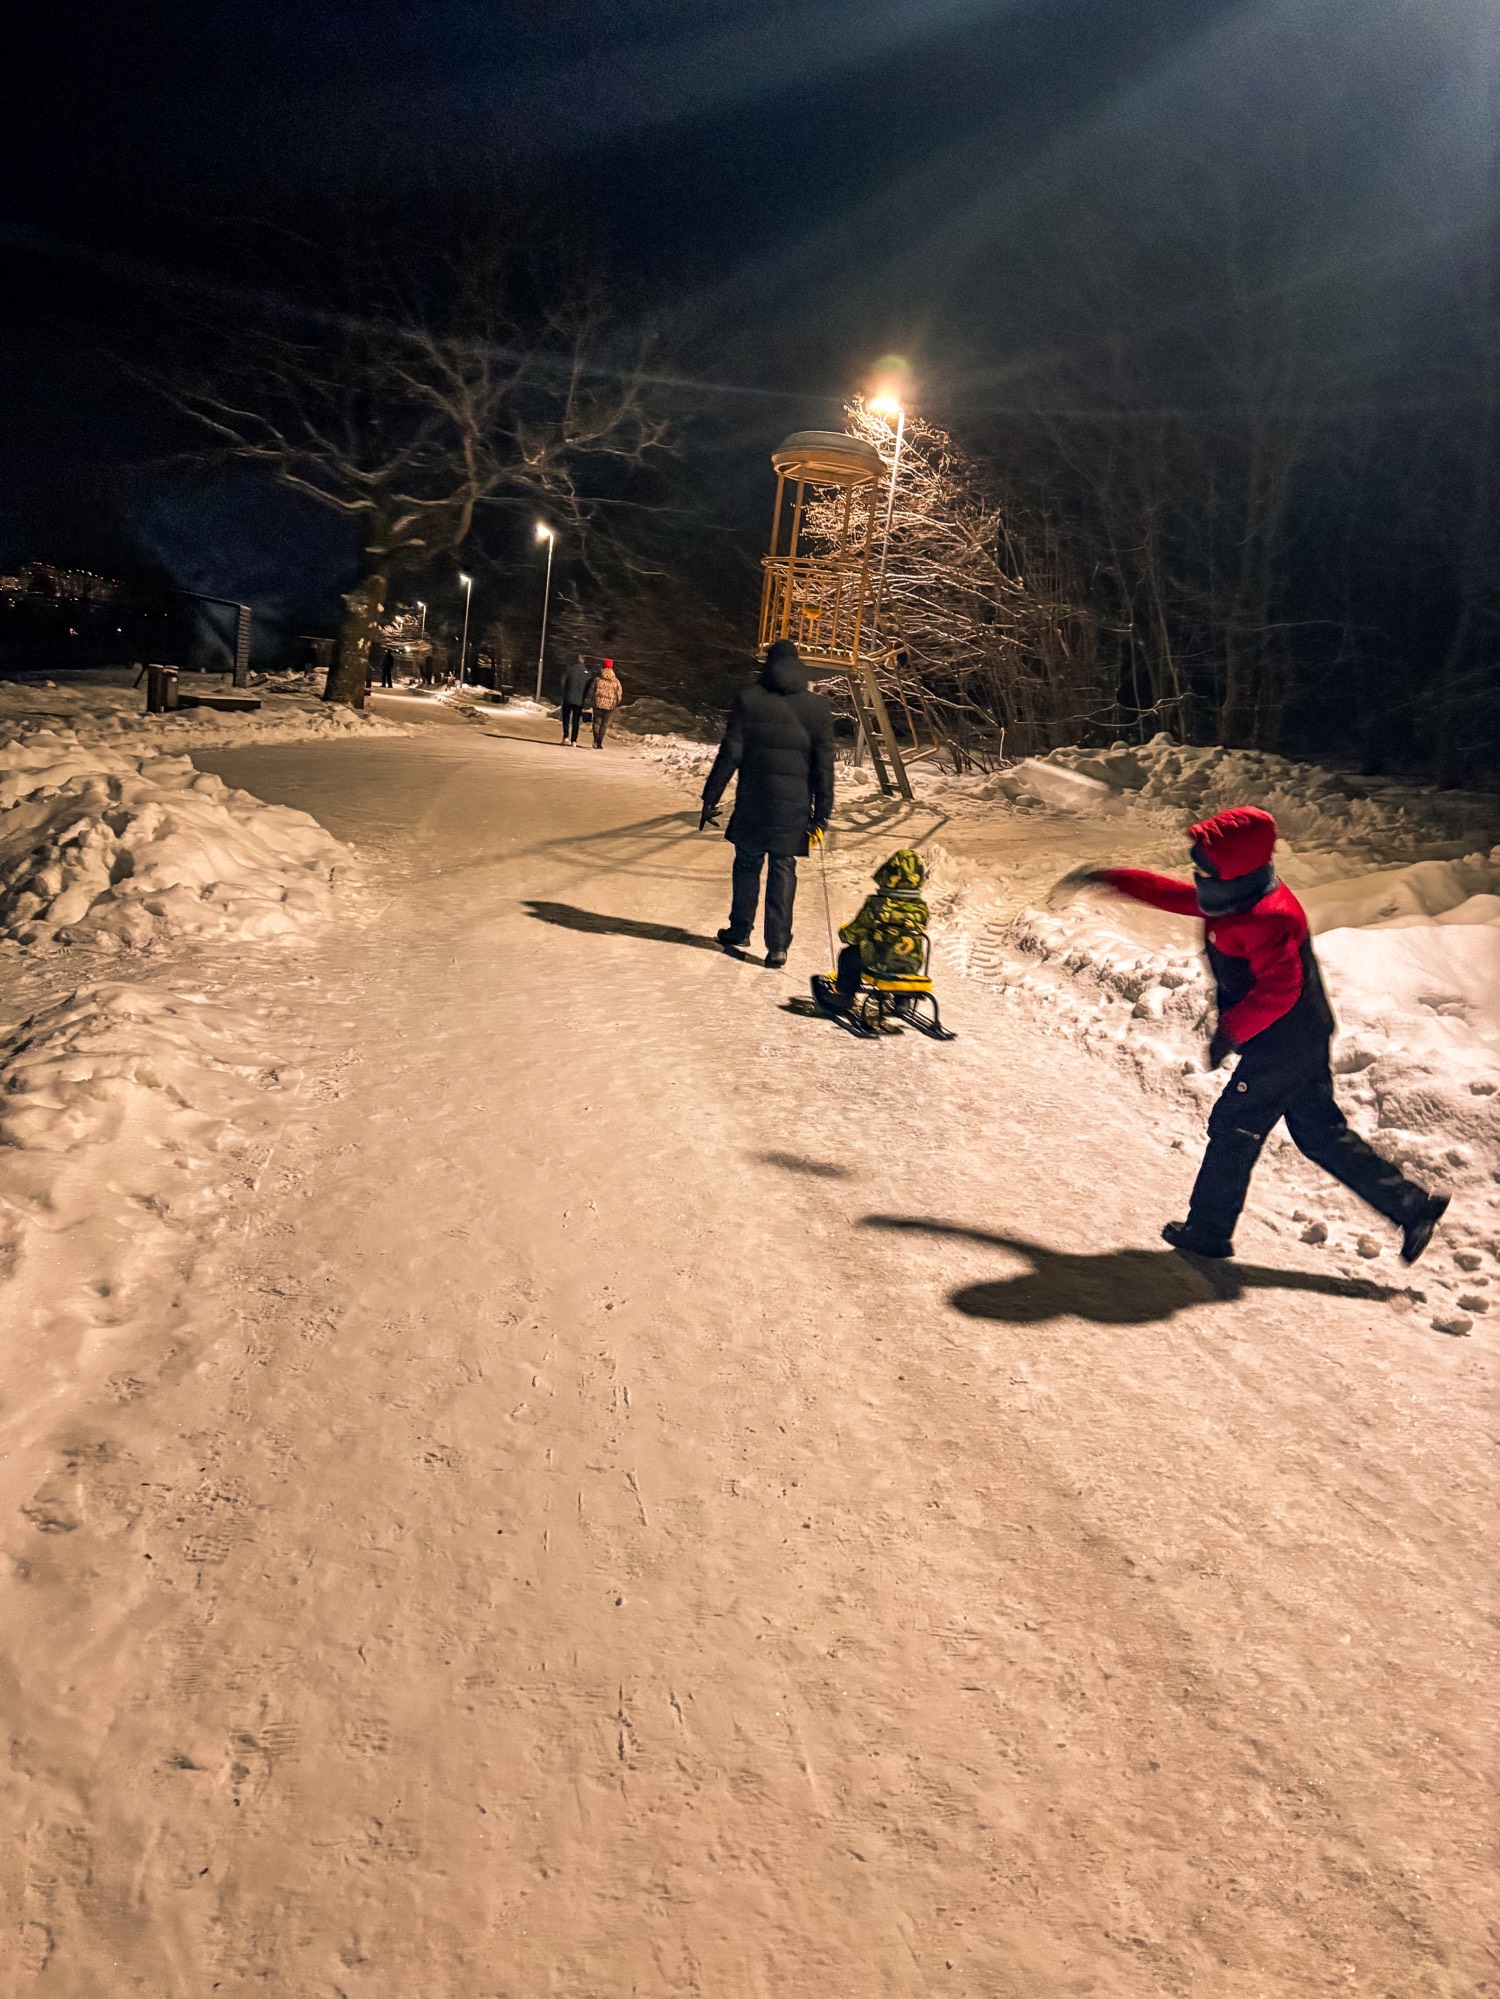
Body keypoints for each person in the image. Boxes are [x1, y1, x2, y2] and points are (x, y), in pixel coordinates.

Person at [1069, 805, 1449, 1263]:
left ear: (1233, 869)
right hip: (1291, 1037)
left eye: (1205, 866)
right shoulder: (1234, 895)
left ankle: (1208, 1231)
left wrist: (1230, 1030)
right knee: (1319, 1134)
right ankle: (1413, 1208)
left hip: (1285, 1041)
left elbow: (1282, 988)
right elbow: (1175, 895)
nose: (1198, 874)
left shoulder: (1269, 915)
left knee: (1234, 1126)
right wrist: (1113, 879)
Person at [699, 637, 835, 970]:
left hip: (753, 802)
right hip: (793, 808)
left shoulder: (749, 700)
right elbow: (824, 768)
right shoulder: (818, 708)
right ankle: (777, 947)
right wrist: (822, 815)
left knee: (747, 863)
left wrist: (710, 798)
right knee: (783, 868)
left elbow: (729, 754)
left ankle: (739, 929)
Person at [811, 848, 929, 1010]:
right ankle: (902, 1000)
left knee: (848, 957)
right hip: (911, 962)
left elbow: (855, 933)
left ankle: (846, 995)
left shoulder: (878, 905)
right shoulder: (921, 908)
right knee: (899, 959)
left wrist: (845, 933)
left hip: (879, 960)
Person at [584, 657, 623, 747]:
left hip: (598, 704)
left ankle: (595, 739)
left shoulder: (597, 679)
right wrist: (615, 702)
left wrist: (589, 700)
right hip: (610, 706)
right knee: (604, 724)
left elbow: (591, 691)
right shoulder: (616, 681)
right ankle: (600, 742)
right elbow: (619, 694)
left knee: (596, 722)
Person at [560, 655, 589, 745]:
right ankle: (574, 740)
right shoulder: (587, 673)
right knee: (576, 720)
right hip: (579, 700)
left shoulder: (568, 670)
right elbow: (589, 687)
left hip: (568, 698)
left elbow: (562, 682)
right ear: (583, 661)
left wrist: (565, 691)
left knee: (566, 717)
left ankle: (566, 737)